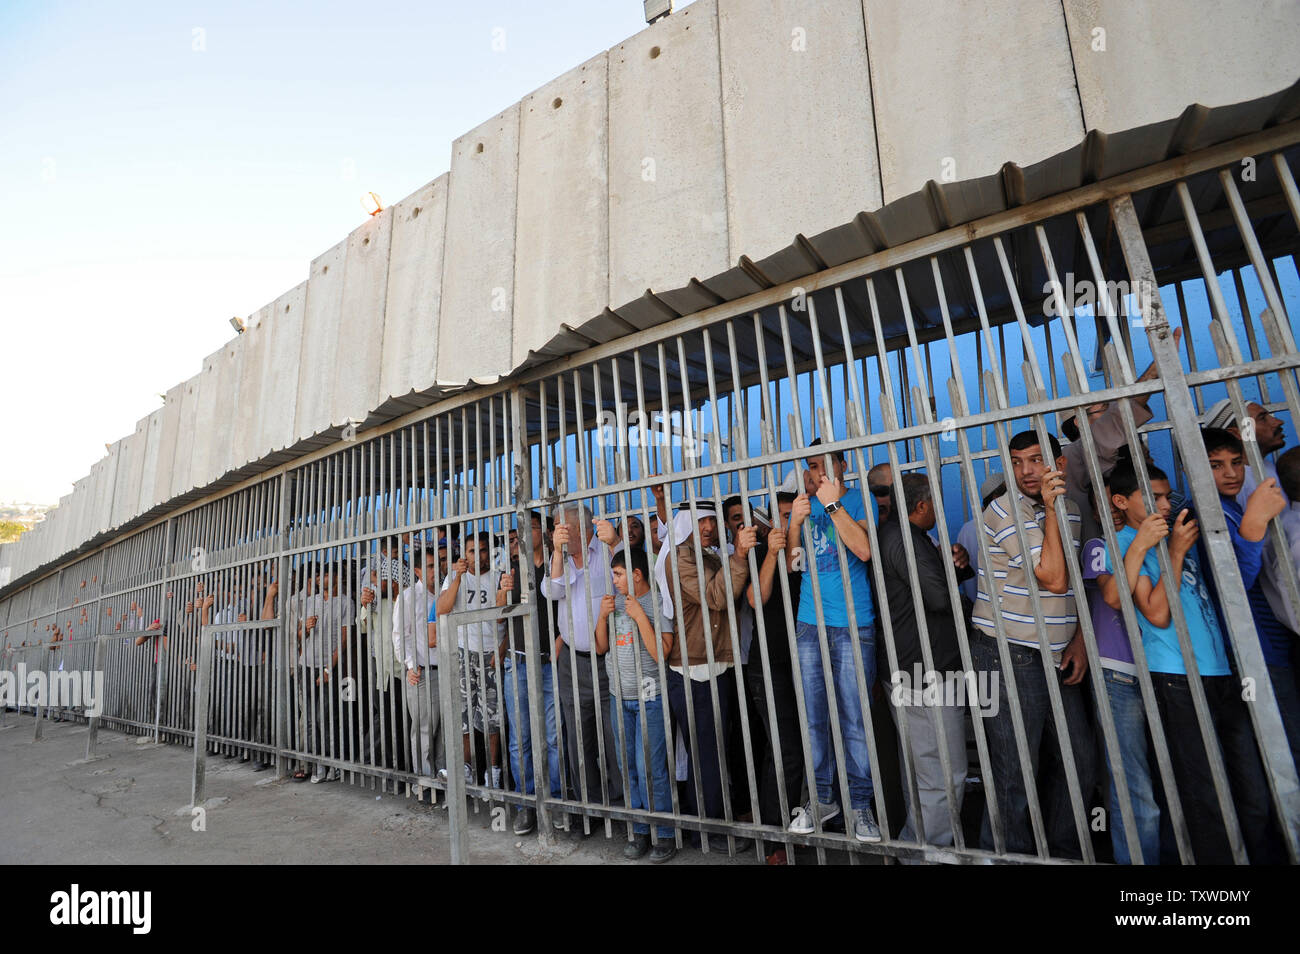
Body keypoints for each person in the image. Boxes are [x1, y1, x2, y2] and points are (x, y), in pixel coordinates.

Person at [1102, 458, 1278, 864]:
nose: (1165, 505)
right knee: (1203, 790)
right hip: (1176, 677)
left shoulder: (1177, 534)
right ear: (1120, 501)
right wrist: (1176, 553)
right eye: (1153, 497)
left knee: (1246, 782)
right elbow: (1157, 613)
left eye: (1166, 496)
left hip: (1219, 671)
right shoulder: (1125, 545)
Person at [972, 429, 1094, 858]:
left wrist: (1078, 638)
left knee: (1080, 761)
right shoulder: (1003, 510)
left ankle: (1060, 851)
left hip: (1058, 655)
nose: (1026, 470)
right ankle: (1005, 855)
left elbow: (1075, 584)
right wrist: (1048, 508)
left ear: (1059, 465)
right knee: (1013, 771)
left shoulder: (1073, 511)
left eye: (1036, 460)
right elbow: (1053, 575)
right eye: (1018, 461)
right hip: (1008, 654)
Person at [785, 438, 881, 843]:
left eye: (824, 464)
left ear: (843, 465)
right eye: (811, 466)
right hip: (810, 623)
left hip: (853, 624)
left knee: (855, 721)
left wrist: (832, 504)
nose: (816, 472)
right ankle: (822, 799)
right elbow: (795, 564)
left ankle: (861, 807)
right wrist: (793, 522)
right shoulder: (805, 507)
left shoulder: (860, 501)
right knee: (813, 720)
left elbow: (863, 550)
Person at [877, 473, 971, 853]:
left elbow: (930, 588)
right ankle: (931, 852)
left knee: (920, 770)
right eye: (935, 503)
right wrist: (978, 611)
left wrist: (955, 568)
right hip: (924, 670)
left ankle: (914, 847)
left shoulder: (898, 535)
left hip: (908, 665)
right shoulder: (906, 540)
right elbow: (938, 599)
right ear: (921, 506)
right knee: (945, 772)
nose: (938, 510)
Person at [657, 498, 755, 850]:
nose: (710, 527)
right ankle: (709, 832)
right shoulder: (681, 558)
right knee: (707, 755)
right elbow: (717, 597)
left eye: (712, 521)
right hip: (694, 667)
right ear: (686, 524)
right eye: (701, 522)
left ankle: (711, 823)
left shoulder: (710, 555)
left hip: (715, 664)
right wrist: (740, 558)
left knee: (713, 751)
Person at [1203, 428, 1299, 769]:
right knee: (1276, 751)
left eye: (1236, 462)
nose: (1230, 473)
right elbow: (1233, 586)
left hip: (1269, 647)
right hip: (1249, 653)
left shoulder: (1231, 508)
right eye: (1215, 465)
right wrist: (1255, 523)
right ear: (1192, 466)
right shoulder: (1207, 516)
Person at [1087, 468, 1163, 864]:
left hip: (1164, 670)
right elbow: (1112, 595)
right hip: (1118, 671)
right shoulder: (1098, 546)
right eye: (1105, 499)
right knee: (1133, 785)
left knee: (1162, 777)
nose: (1114, 507)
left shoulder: (1157, 539)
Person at [595, 547, 676, 862]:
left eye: (618, 574)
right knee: (628, 766)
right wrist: (603, 617)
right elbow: (602, 646)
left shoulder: (656, 603)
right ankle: (640, 831)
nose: (614, 581)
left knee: (651, 768)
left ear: (637, 574)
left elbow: (662, 653)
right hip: (619, 696)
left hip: (649, 696)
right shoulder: (613, 604)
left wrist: (640, 616)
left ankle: (665, 834)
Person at [541, 503, 624, 814]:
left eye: (561, 529)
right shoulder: (560, 557)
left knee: (615, 736)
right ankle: (587, 808)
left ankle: (624, 806)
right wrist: (558, 553)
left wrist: (615, 541)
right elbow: (552, 592)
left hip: (607, 660)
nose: (555, 534)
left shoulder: (606, 552)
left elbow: (637, 573)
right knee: (578, 737)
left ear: (579, 529)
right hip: (571, 662)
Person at [1060, 331, 1179, 543]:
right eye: (1104, 410)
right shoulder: (1075, 452)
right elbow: (1120, 417)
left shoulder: (1121, 447)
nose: (1110, 415)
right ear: (1079, 421)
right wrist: (1152, 372)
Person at [744, 491, 804, 864]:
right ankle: (776, 838)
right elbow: (756, 597)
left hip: (809, 661)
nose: (788, 522)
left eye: (794, 515)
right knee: (784, 752)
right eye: (782, 515)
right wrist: (771, 552)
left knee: (812, 749)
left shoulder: (807, 549)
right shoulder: (762, 550)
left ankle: (804, 826)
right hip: (770, 664)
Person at [433, 531, 510, 788]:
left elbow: (505, 618)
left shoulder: (500, 576)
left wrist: (502, 648)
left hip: (490, 653)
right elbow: (442, 609)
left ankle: (493, 771)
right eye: (472, 551)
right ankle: (465, 768)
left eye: (483, 550)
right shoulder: (455, 578)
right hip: (464, 652)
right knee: (464, 713)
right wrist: (457, 577)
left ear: (490, 552)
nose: (478, 556)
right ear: (463, 554)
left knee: (492, 716)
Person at [502, 510, 563, 835]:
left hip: (551, 662)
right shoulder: (513, 569)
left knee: (553, 738)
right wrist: (503, 591)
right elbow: (500, 615)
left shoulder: (558, 563)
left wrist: (561, 637)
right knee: (520, 740)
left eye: (531, 528)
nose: (524, 535)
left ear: (545, 531)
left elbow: (571, 603)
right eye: (520, 531)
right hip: (519, 661)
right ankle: (526, 806)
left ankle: (553, 804)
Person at [394, 545, 445, 795]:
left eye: (438, 564)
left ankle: (443, 779)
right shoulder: (407, 597)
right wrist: (410, 665)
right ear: (417, 570)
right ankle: (424, 783)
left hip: (447, 669)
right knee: (424, 729)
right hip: (422, 672)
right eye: (430, 566)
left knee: (445, 730)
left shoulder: (446, 592)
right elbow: (400, 635)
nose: (437, 570)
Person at [356, 537, 409, 771]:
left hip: (406, 667)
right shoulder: (375, 598)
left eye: (388, 579)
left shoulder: (407, 596)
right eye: (381, 578)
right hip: (383, 670)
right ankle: (386, 767)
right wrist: (366, 603)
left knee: (401, 720)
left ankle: (399, 765)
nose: (382, 582)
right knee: (386, 719)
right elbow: (363, 626)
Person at [298, 563, 353, 784]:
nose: (322, 579)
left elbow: (344, 639)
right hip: (307, 665)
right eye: (320, 576)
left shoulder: (345, 602)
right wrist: (306, 628)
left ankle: (333, 764)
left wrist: (330, 667)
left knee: (326, 717)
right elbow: (300, 637)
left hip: (328, 667)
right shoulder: (310, 602)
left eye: (327, 574)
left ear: (338, 578)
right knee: (310, 719)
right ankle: (316, 764)